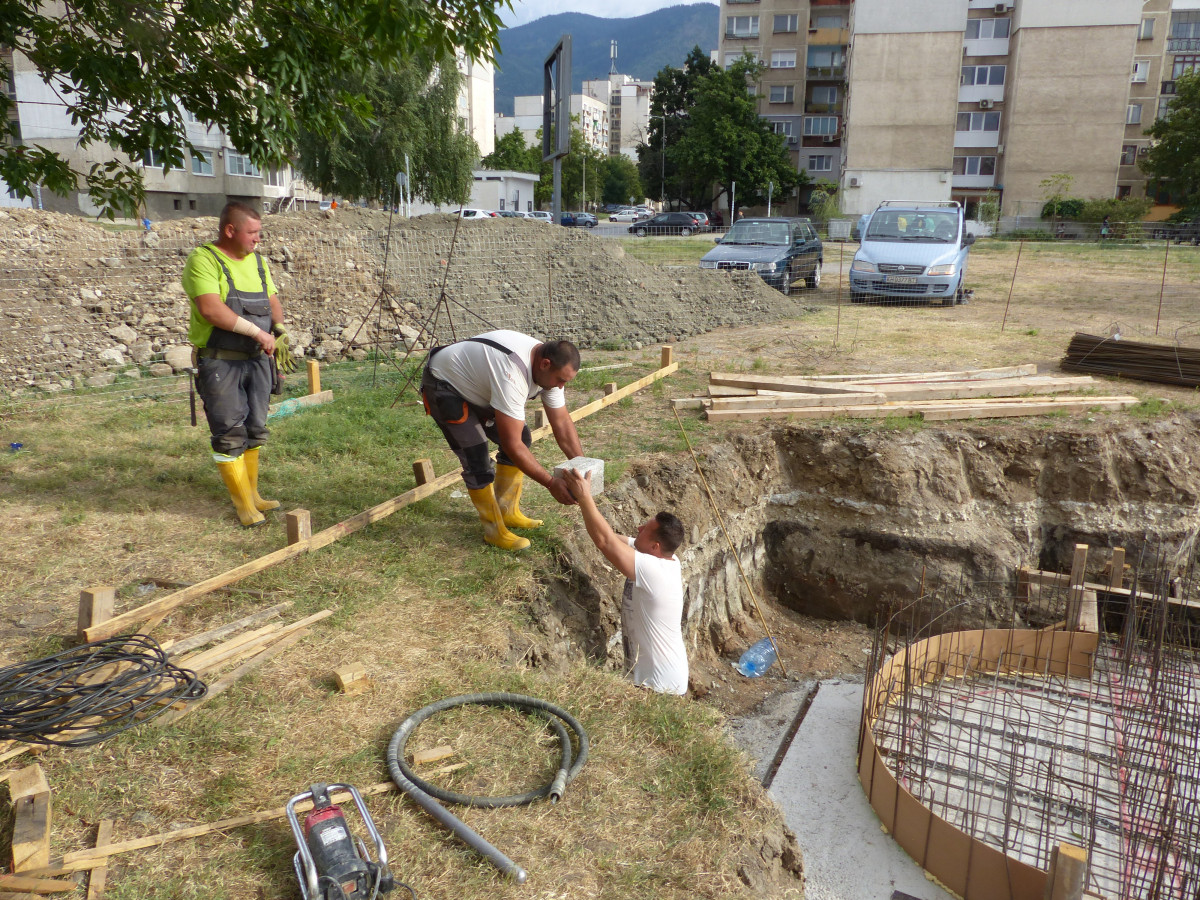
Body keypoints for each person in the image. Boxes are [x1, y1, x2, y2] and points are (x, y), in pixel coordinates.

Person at [182, 201, 294, 527]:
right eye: (253, 233)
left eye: (260, 233)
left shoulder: (257, 261)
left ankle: (254, 494)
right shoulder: (203, 260)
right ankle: (244, 506)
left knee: (255, 428)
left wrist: (281, 329)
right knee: (229, 432)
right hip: (221, 363)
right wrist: (259, 332)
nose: (258, 240)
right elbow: (211, 310)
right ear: (230, 231)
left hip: (257, 360)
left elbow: (270, 298)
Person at [421, 330, 584, 552]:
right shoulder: (513, 372)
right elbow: (511, 444)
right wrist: (550, 483)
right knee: (476, 456)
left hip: (475, 384)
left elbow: (562, 424)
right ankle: (494, 531)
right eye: (560, 380)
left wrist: (583, 466)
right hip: (444, 385)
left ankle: (508, 511)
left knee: (523, 437)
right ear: (545, 364)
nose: (561, 386)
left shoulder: (549, 368)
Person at [562, 468, 688, 695]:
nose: (638, 529)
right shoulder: (664, 557)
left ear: (655, 547)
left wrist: (585, 498)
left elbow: (605, 542)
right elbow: (611, 537)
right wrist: (584, 503)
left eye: (645, 530)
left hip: (659, 688)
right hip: (650, 682)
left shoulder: (654, 571)